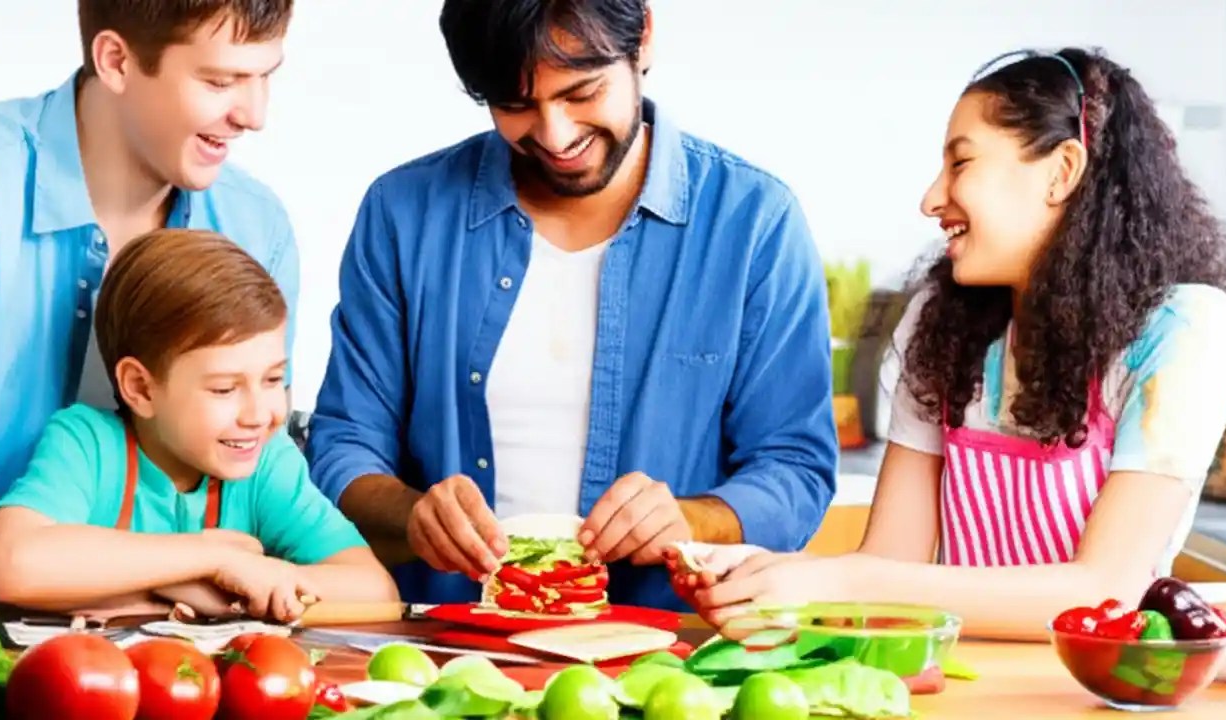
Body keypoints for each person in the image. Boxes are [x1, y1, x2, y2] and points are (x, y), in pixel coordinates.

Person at [667, 47, 1226, 640]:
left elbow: (1104, 593)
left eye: (961, 164)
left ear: (1062, 171)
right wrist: (768, 580)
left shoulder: (1182, 329)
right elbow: (889, 566)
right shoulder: (939, 326)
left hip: (1089, 696)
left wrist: (833, 580)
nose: (932, 199)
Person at [307, 0, 838, 610]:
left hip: (665, 651)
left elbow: (795, 468)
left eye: (582, 93)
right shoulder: (403, 213)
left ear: (643, 40)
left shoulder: (753, 223)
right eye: (515, 105)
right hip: (442, 640)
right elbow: (344, 442)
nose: (554, 135)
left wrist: (691, 518)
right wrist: (413, 514)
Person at [0, 0, 300, 508]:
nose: (254, 116)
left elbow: (260, 479)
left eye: (264, 76)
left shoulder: (256, 227)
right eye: (219, 81)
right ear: (116, 62)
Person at [0, 230, 398, 623]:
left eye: (272, 379)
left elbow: (376, 590)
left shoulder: (268, 462)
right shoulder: (86, 444)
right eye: (223, 389)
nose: (258, 414)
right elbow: (12, 565)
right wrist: (213, 558)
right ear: (141, 388)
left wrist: (214, 579)